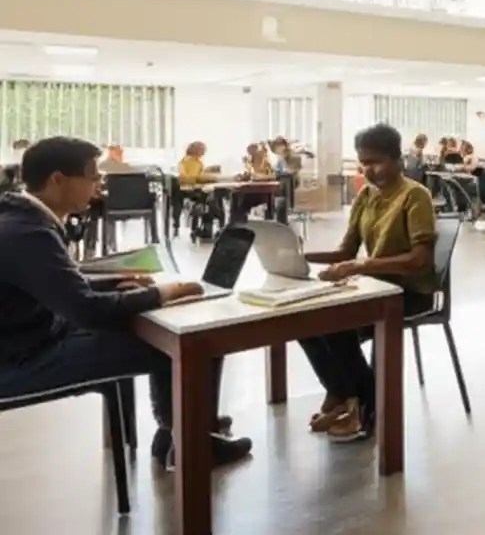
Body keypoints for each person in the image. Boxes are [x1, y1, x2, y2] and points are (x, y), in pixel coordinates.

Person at [0, 137, 251, 468]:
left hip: (28, 340)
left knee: (166, 338)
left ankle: (176, 433)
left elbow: (55, 285)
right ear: (58, 180)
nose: (99, 184)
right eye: (93, 176)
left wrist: (116, 284)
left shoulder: (19, 219)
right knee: (195, 341)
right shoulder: (28, 233)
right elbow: (87, 311)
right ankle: (191, 444)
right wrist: (161, 294)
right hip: (23, 361)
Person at [300, 124, 437, 442]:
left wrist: (361, 265)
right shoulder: (365, 195)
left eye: (376, 162)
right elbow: (344, 251)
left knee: (337, 324)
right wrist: (300, 257)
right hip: (372, 288)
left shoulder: (415, 196)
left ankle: (363, 408)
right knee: (304, 323)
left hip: (409, 292)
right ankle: (343, 393)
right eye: (363, 163)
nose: (368, 170)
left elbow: (419, 260)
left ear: (398, 159)